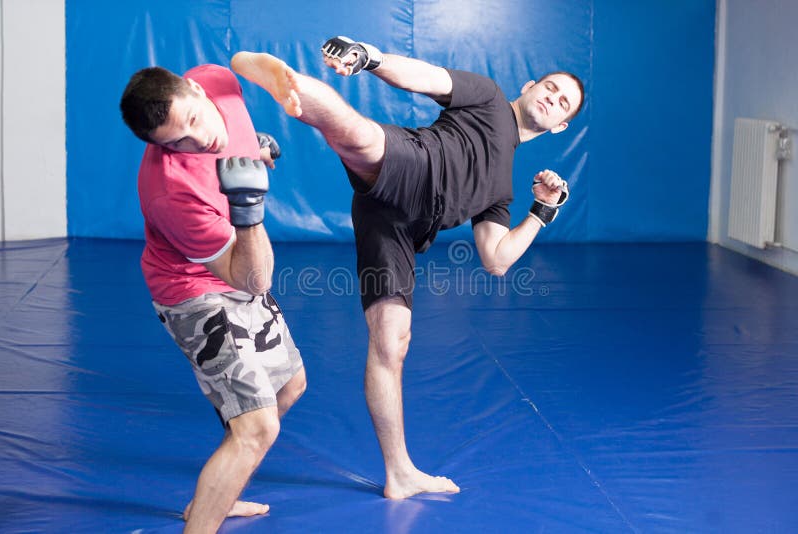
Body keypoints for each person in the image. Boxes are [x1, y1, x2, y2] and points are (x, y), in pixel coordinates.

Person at [230, 36, 584, 500]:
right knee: (355, 134)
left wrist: (540, 212)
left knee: (392, 343)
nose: (552, 97)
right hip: (414, 163)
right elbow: (426, 77)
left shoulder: (500, 193)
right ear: (530, 85)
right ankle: (286, 83)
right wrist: (370, 58)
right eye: (550, 86)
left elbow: (497, 259)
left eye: (563, 102)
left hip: (396, 229)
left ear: (560, 126)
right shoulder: (489, 96)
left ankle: (399, 472)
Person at [119, 63, 306, 533]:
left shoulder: (215, 81)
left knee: (290, 386)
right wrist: (248, 210)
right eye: (176, 141)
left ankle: (222, 492)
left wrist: (276, 86)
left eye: (195, 122)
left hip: (235, 274)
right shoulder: (170, 192)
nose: (195, 142)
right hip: (195, 293)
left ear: (198, 90)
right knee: (257, 428)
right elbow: (251, 280)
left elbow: (241, 62)